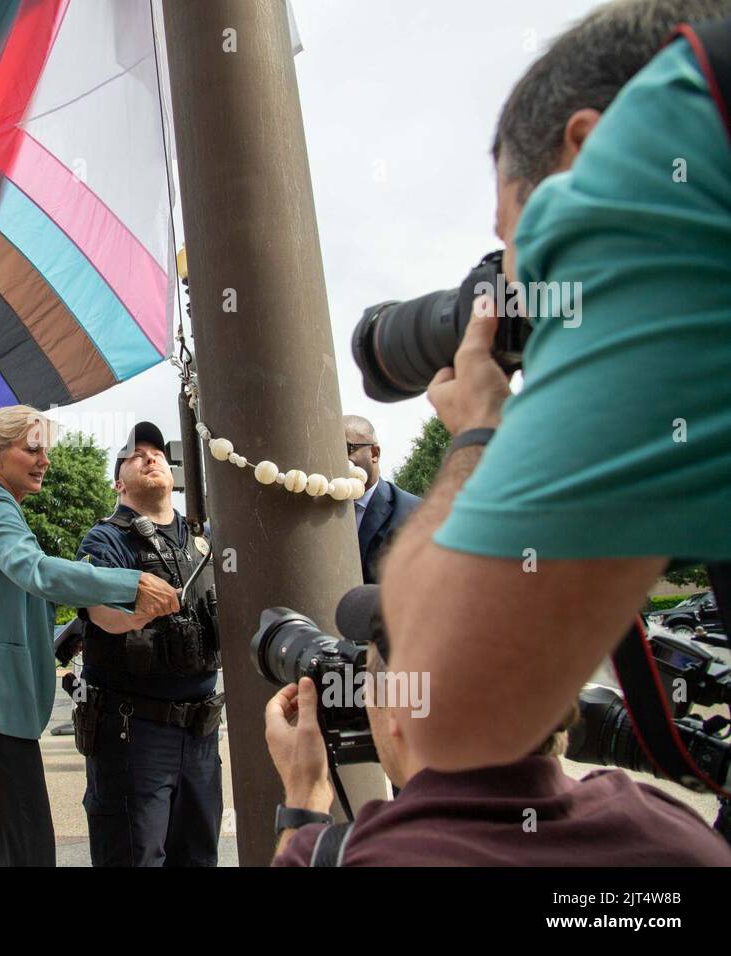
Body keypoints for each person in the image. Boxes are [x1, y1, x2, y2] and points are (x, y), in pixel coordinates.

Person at [377, 0, 731, 772]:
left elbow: (446, 706)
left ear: (588, 148)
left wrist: (478, 435)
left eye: (516, 240)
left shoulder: (673, 133)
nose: (516, 284)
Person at [265, 586, 731, 866]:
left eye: (369, 675)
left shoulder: (338, 857)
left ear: (403, 712)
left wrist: (304, 800)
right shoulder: (675, 835)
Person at [0, 405, 181, 866]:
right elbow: (35, 571)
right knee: (25, 849)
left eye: (46, 450)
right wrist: (129, 583)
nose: (44, 460)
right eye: (32, 448)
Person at [73, 422, 224, 867]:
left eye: (156, 451)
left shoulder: (206, 541)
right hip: (133, 732)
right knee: (134, 857)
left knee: (198, 857)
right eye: (135, 454)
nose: (149, 456)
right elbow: (97, 608)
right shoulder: (106, 539)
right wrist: (138, 611)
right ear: (119, 481)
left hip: (200, 733)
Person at [343, 415, 420, 584]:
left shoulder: (414, 513)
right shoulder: (316, 509)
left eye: (347, 449)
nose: (339, 461)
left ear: (375, 453)